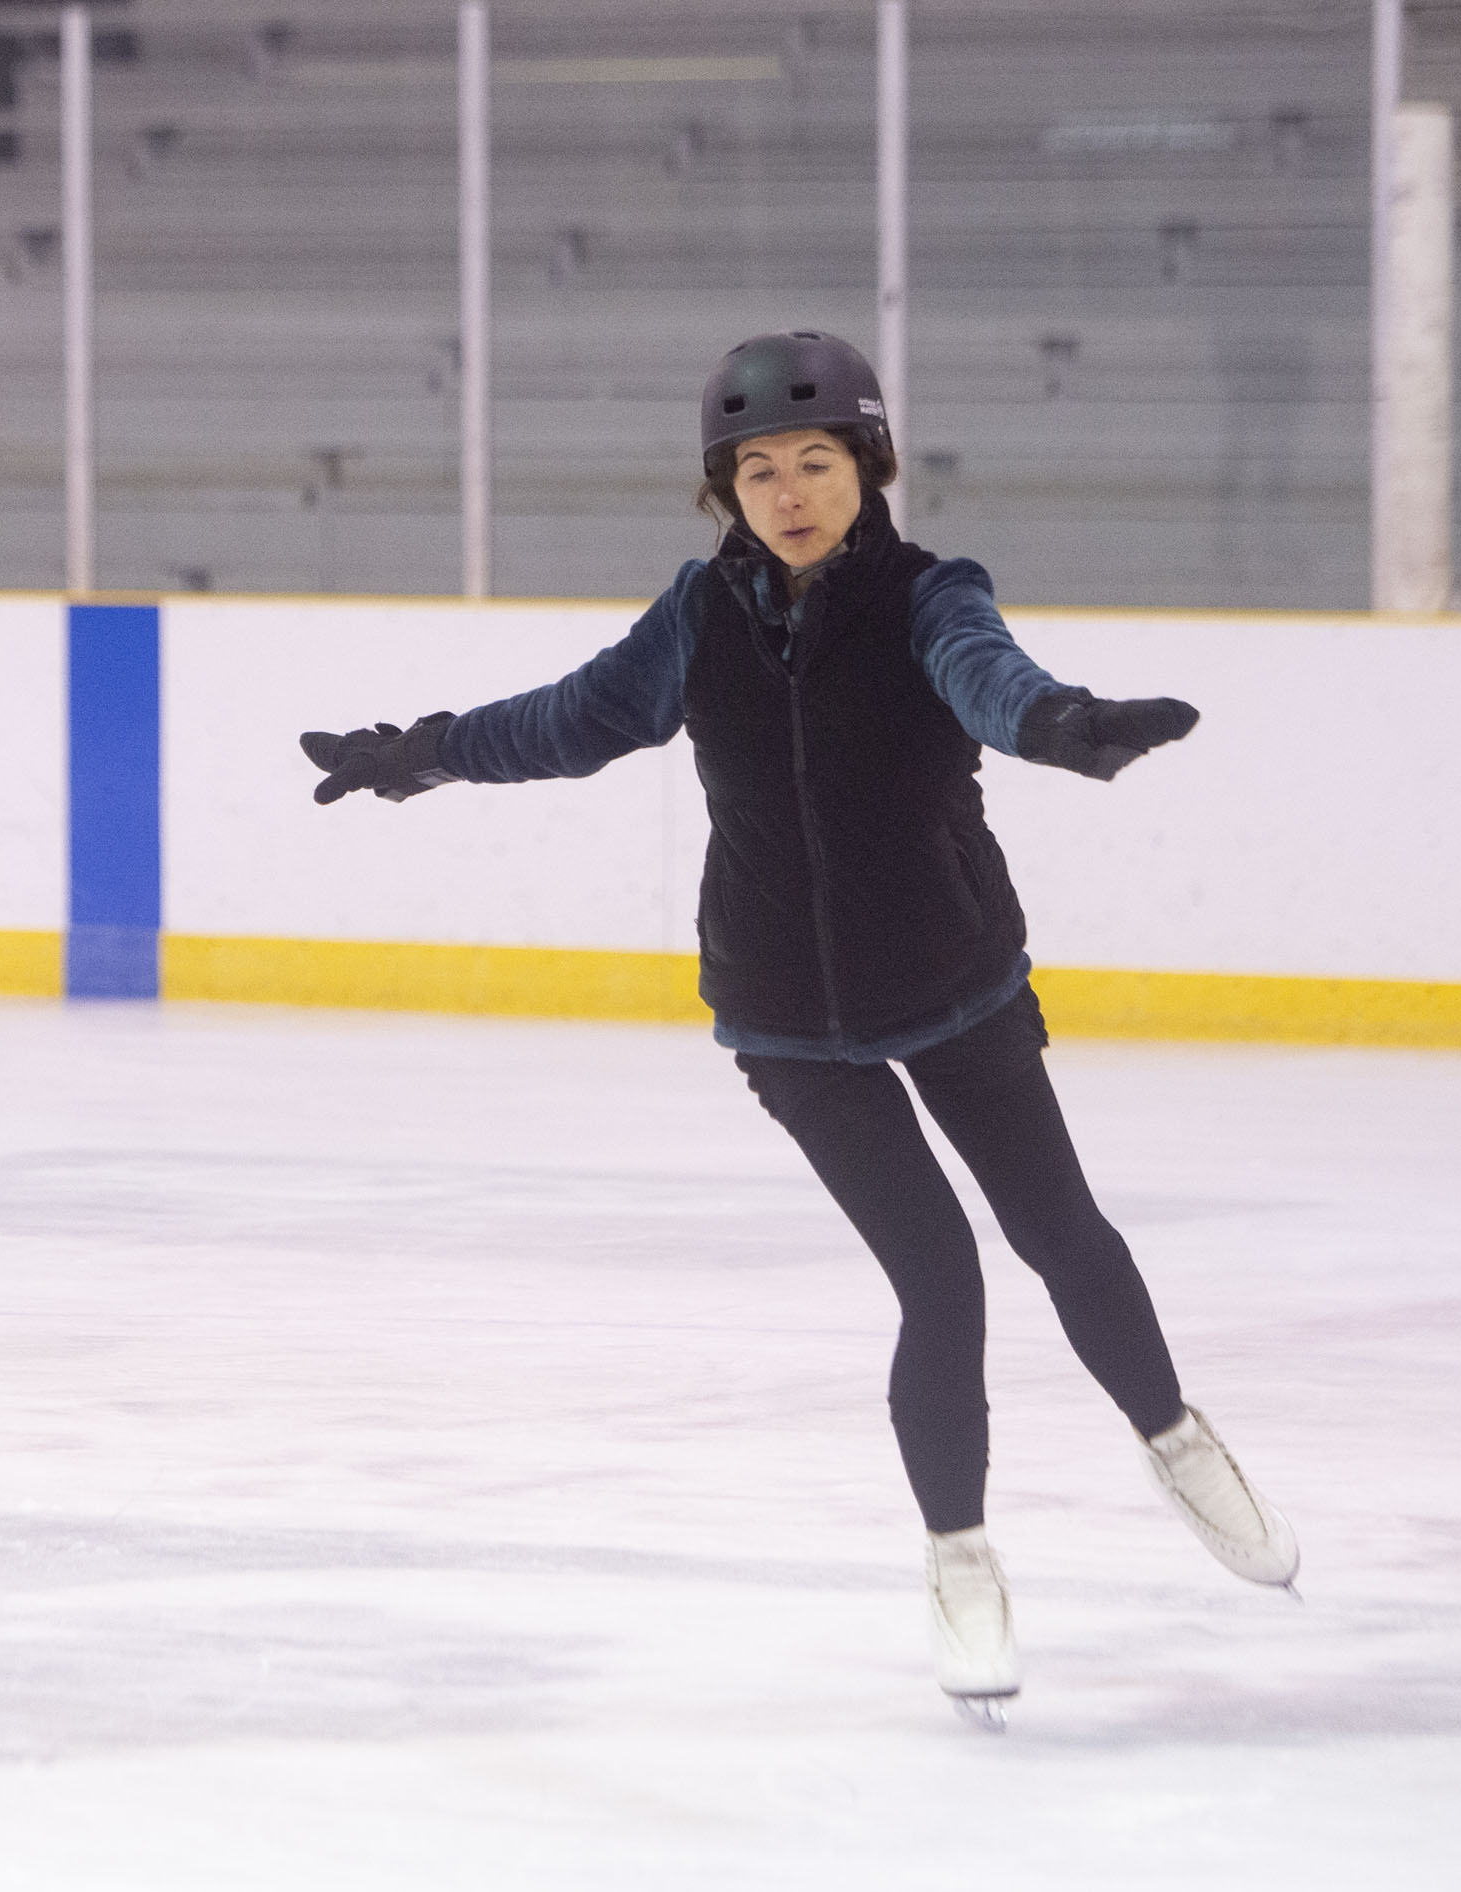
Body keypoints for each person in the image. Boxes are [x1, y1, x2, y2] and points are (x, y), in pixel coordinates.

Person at [299, 329, 1297, 1732]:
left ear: (868, 467)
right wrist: (417, 753)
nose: (788, 491)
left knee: (1059, 1233)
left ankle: (1175, 1439)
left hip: (955, 986)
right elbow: (571, 719)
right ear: (729, 493)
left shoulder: (927, 597)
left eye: (815, 462)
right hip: (785, 1019)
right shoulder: (697, 624)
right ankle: (961, 1566)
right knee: (941, 1282)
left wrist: (1064, 726)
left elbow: (985, 677)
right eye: (757, 470)